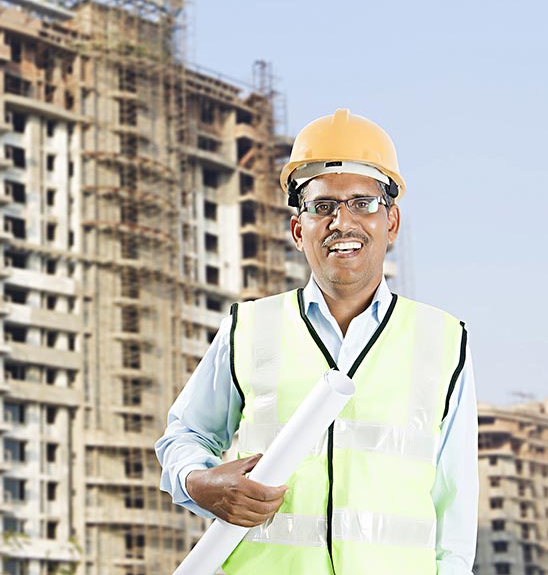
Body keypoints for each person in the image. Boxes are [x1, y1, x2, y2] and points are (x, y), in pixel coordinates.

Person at [156, 109, 477, 574]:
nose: (342, 222)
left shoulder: (444, 340)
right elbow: (185, 435)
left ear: (391, 222)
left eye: (362, 203)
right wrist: (197, 480)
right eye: (322, 206)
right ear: (297, 230)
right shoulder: (250, 328)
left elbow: (456, 513)